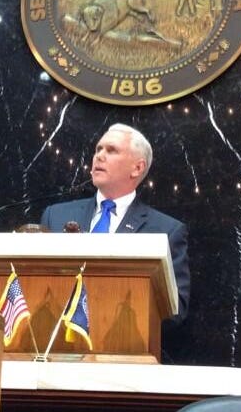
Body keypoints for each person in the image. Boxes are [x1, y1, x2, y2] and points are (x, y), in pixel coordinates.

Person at [40, 124, 190, 324]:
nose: (99, 156)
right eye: (98, 149)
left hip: (125, 345)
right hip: (57, 347)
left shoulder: (166, 231)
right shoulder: (55, 216)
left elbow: (176, 309)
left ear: (137, 168)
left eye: (112, 151)